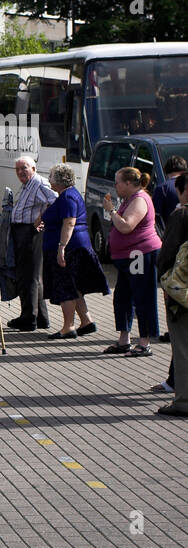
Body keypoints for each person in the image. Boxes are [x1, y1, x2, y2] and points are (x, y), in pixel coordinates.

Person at [36, 163, 108, 338]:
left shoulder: (68, 197)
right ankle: (86, 321)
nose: (49, 180)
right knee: (74, 287)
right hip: (73, 245)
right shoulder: (66, 195)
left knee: (66, 286)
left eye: (51, 176)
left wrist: (61, 247)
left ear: (59, 180)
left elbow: (69, 222)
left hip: (70, 248)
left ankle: (68, 327)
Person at [102, 166, 162, 357]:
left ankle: (144, 342)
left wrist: (111, 211)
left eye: (118, 182)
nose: (115, 186)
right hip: (127, 257)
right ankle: (124, 340)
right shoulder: (128, 199)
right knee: (122, 298)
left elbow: (127, 226)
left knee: (142, 297)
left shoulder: (140, 199)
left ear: (128, 183)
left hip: (139, 254)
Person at [6, 155, 57, 332]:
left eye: (24, 168)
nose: (20, 172)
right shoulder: (28, 184)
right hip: (23, 232)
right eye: (18, 169)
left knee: (28, 277)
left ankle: (29, 318)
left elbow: (56, 201)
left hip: (31, 233)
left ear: (33, 169)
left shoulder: (39, 183)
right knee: (33, 277)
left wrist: (42, 218)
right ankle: (41, 318)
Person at [155, 173, 188, 416]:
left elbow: (166, 257)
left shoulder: (182, 216)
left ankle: (184, 401)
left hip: (183, 294)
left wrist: (166, 286)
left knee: (183, 349)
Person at [152, 155, 186, 349]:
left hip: (171, 244)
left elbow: (155, 219)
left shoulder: (162, 188)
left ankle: (172, 327)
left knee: (170, 288)